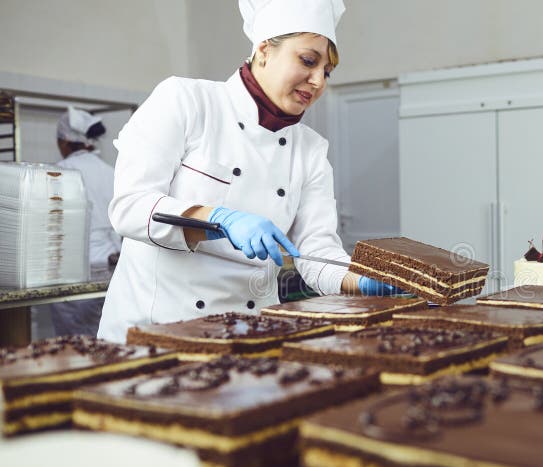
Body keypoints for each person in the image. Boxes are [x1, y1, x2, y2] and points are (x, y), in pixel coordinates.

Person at [97, 0, 398, 342]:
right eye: (308, 61)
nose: (318, 81)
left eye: (327, 72)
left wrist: (361, 280)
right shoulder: (186, 101)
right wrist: (218, 219)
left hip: (249, 335)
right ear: (265, 49)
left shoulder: (311, 150)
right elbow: (129, 208)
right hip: (156, 329)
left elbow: (318, 254)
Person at [50, 107, 121, 336]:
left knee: (76, 345)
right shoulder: (110, 171)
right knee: (109, 338)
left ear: (64, 142)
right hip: (112, 266)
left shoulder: (58, 173)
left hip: (74, 270)